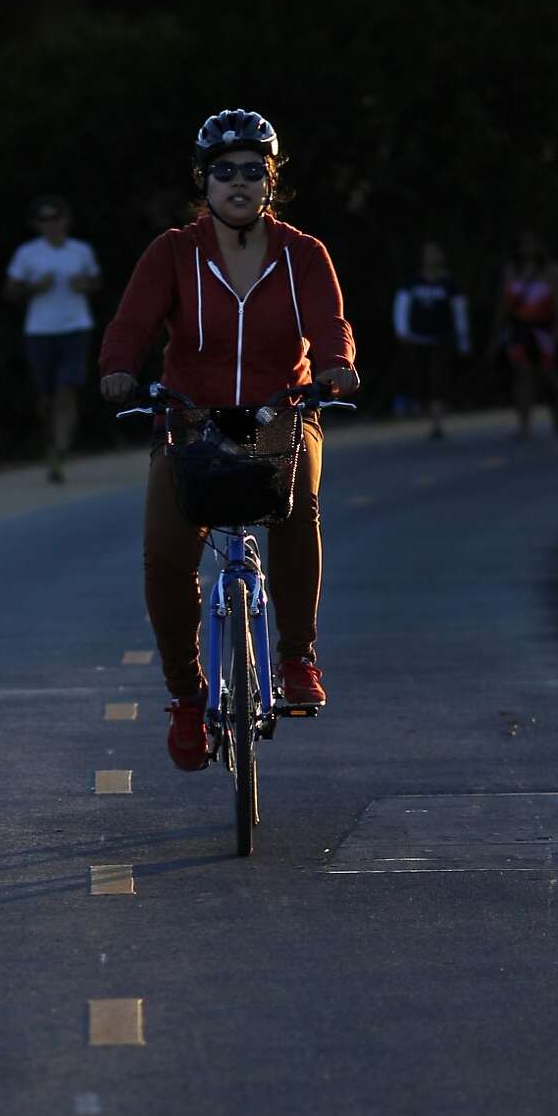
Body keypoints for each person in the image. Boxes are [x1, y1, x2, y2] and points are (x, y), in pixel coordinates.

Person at [98, 109, 358, 771]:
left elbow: (330, 324)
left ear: (271, 181)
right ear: (203, 182)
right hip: (190, 418)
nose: (238, 182)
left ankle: (296, 656)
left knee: (299, 507)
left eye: (252, 170)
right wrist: (118, 368)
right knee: (165, 554)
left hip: (281, 414)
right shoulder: (173, 252)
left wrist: (336, 365)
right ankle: (187, 697)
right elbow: (130, 325)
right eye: (223, 171)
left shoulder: (303, 253)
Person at [4, 195, 100, 482]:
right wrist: (33, 288)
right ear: (37, 223)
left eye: (54, 218)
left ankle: (60, 449)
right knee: (46, 397)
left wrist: (84, 285)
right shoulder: (27, 253)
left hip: (75, 328)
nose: (50, 224)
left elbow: (95, 281)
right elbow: (10, 290)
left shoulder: (80, 250)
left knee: (66, 389)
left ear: (65, 220)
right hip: (39, 331)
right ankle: (51, 444)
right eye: (43, 219)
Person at [492, 229, 558, 438]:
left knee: (547, 374)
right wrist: (498, 331)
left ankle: (557, 411)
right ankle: (524, 423)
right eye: (523, 244)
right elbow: (503, 305)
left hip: (543, 331)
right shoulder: (511, 271)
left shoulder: (552, 271)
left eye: (531, 244)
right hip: (518, 331)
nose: (526, 248)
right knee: (522, 375)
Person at [392, 241, 470, 439]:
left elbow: (459, 311)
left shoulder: (449, 284)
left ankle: (437, 422)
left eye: (435, 253)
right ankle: (421, 412)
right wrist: (402, 331)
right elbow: (402, 306)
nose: (431, 257)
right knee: (419, 378)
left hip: (442, 339)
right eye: (428, 253)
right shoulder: (412, 282)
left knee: (438, 379)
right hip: (417, 340)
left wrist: (463, 339)